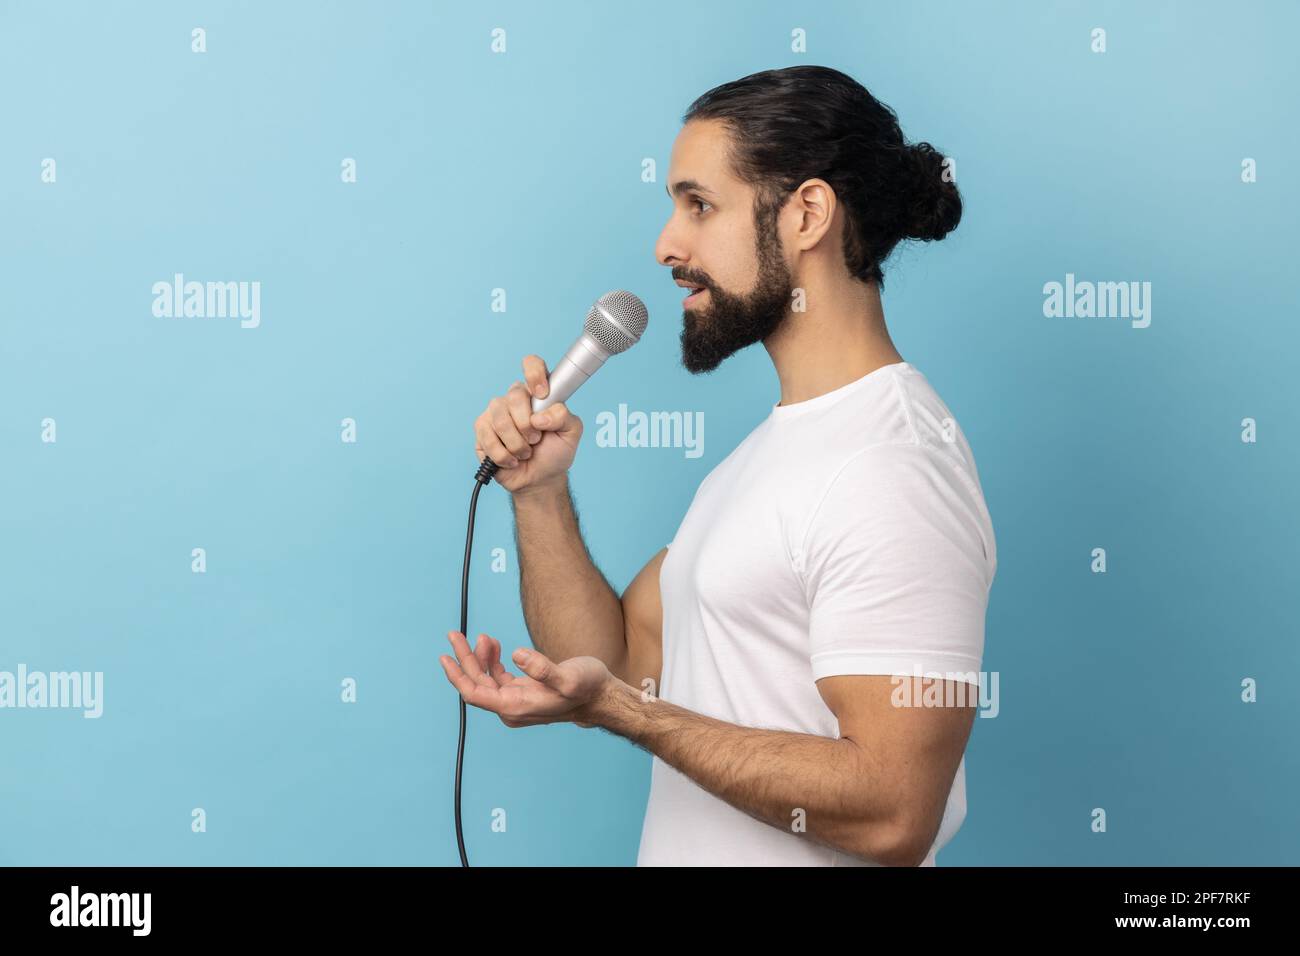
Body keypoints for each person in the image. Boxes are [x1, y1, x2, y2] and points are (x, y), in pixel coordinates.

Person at [442, 65, 997, 866]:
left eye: (699, 204)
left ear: (807, 213)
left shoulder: (893, 465)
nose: (667, 244)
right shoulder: (764, 458)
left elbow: (894, 811)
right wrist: (541, 494)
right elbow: (618, 660)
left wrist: (628, 715)